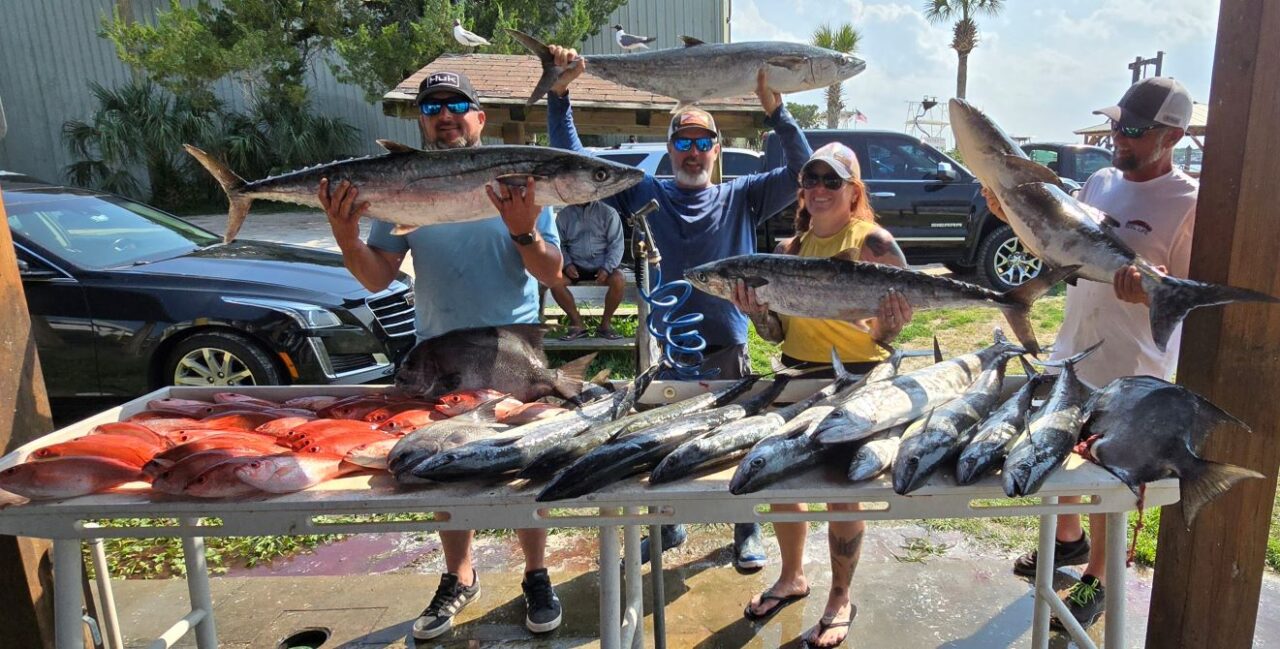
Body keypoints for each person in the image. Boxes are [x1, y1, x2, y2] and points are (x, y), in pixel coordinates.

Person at [317, 70, 567, 641]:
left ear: (481, 117)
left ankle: (536, 571)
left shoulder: (517, 181)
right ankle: (459, 574)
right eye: (432, 107)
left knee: (526, 459)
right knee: (442, 462)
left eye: (458, 104)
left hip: (513, 342)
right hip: (441, 346)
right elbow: (378, 277)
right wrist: (348, 239)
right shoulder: (399, 187)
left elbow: (552, 272)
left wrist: (524, 231)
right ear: (421, 122)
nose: (445, 114)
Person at [543, 44, 813, 572]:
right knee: (658, 439)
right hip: (668, 348)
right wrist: (560, 97)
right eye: (683, 140)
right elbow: (573, 165)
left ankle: (746, 527)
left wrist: (777, 112)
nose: (693, 151)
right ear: (669, 148)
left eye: (703, 141)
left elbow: (805, 170)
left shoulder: (745, 195)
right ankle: (668, 525)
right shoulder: (645, 192)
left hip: (729, 345)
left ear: (718, 147)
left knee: (735, 437)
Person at [984, 76, 1199, 630]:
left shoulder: (1190, 203)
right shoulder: (1100, 180)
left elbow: (1188, 297)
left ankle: (1098, 578)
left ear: (1171, 136)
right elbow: (1062, 244)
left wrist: (1157, 286)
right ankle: (1069, 542)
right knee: (1060, 456)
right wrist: (1008, 211)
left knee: (1113, 475)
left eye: (1131, 130)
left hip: (1135, 368)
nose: (1116, 139)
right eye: (1113, 125)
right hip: (1073, 351)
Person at [732, 142, 913, 649]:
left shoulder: (875, 243)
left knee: (841, 488)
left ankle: (839, 596)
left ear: (853, 192)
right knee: (784, 481)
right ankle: (792, 577)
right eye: (810, 180)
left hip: (859, 378)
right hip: (798, 376)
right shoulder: (788, 252)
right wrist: (756, 313)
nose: (818, 190)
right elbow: (774, 333)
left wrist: (890, 330)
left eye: (832, 181)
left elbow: (890, 328)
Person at [549, 200, 627, 340]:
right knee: (555, 281)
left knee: (619, 280)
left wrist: (607, 267)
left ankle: (605, 325)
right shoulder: (563, 215)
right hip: (574, 266)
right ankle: (577, 325)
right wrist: (567, 264)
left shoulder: (608, 212)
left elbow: (616, 245)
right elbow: (558, 244)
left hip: (603, 266)